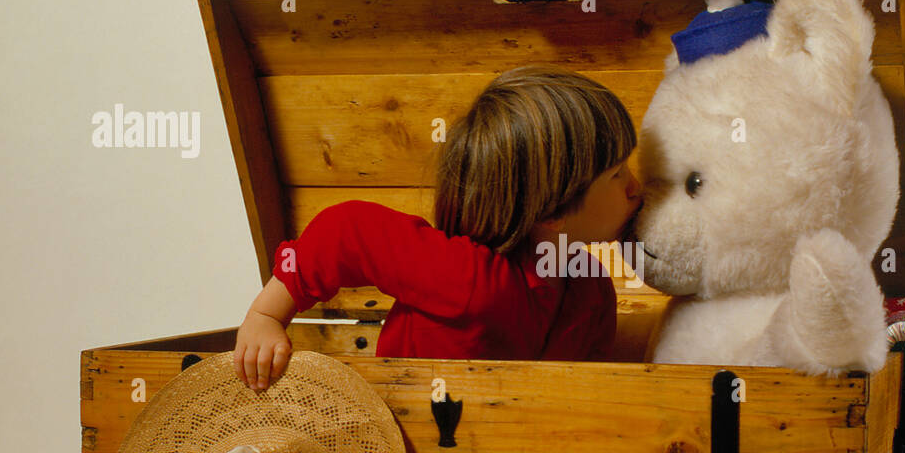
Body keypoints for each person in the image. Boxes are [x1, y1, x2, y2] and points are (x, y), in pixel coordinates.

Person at [234, 65, 642, 391]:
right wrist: (267, 315)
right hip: (402, 443)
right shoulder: (467, 277)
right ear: (554, 211)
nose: (635, 187)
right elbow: (345, 230)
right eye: (618, 174)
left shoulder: (592, 290)